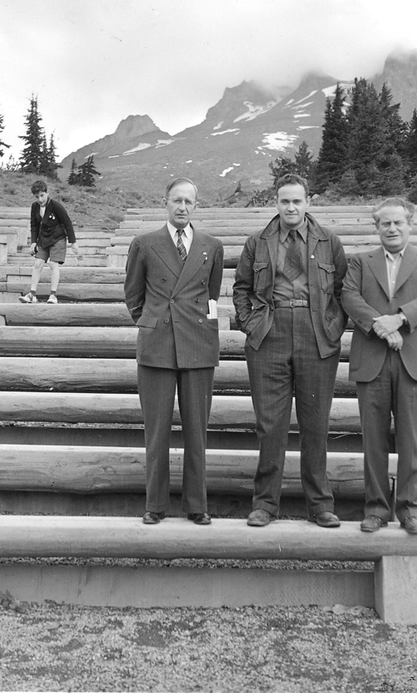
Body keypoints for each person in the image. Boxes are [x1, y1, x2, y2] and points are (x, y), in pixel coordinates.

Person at [233, 173, 348, 528]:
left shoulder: (329, 241)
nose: (291, 207)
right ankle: (265, 504)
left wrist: (332, 328)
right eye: (285, 201)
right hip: (270, 331)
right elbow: (241, 289)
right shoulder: (257, 242)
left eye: (297, 201)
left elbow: (343, 291)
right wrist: (251, 324)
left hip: (316, 334)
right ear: (276, 203)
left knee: (316, 423)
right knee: (270, 425)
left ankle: (320, 505)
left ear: (308, 202)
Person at [124, 177, 224, 525]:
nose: (182, 207)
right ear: (165, 202)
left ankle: (197, 505)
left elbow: (211, 296)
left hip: (198, 344)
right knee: (157, 431)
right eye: (176, 200)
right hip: (158, 345)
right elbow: (133, 296)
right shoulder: (144, 243)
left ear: (196, 205)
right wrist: (154, 322)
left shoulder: (212, 245)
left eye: (188, 202)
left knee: (197, 431)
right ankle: (155, 504)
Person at [341, 197, 417, 535]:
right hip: (372, 360)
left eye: (398, 223)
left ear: (410, 224)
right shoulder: (360, 262)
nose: (392, 229)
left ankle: (409, 510)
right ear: (376, 227)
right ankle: (376, 509)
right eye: (385, 223)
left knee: (412, 441)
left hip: (414, 361)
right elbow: (350, 297)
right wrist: (381, 326)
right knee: (374, 441)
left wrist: (400, 320)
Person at [19, 180, 78, 304]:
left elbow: (67, 222)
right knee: (38, 264)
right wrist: (33, 242)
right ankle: (32, 294)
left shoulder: (56, 206)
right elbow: (34, 225)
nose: (40, 199)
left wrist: (73, 242)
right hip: (43, 239)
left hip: (58, 238)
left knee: (53, 264)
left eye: (42, 195)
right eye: (37, 197)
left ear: (47, 193)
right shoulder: (34, 207)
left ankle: (53, 295)